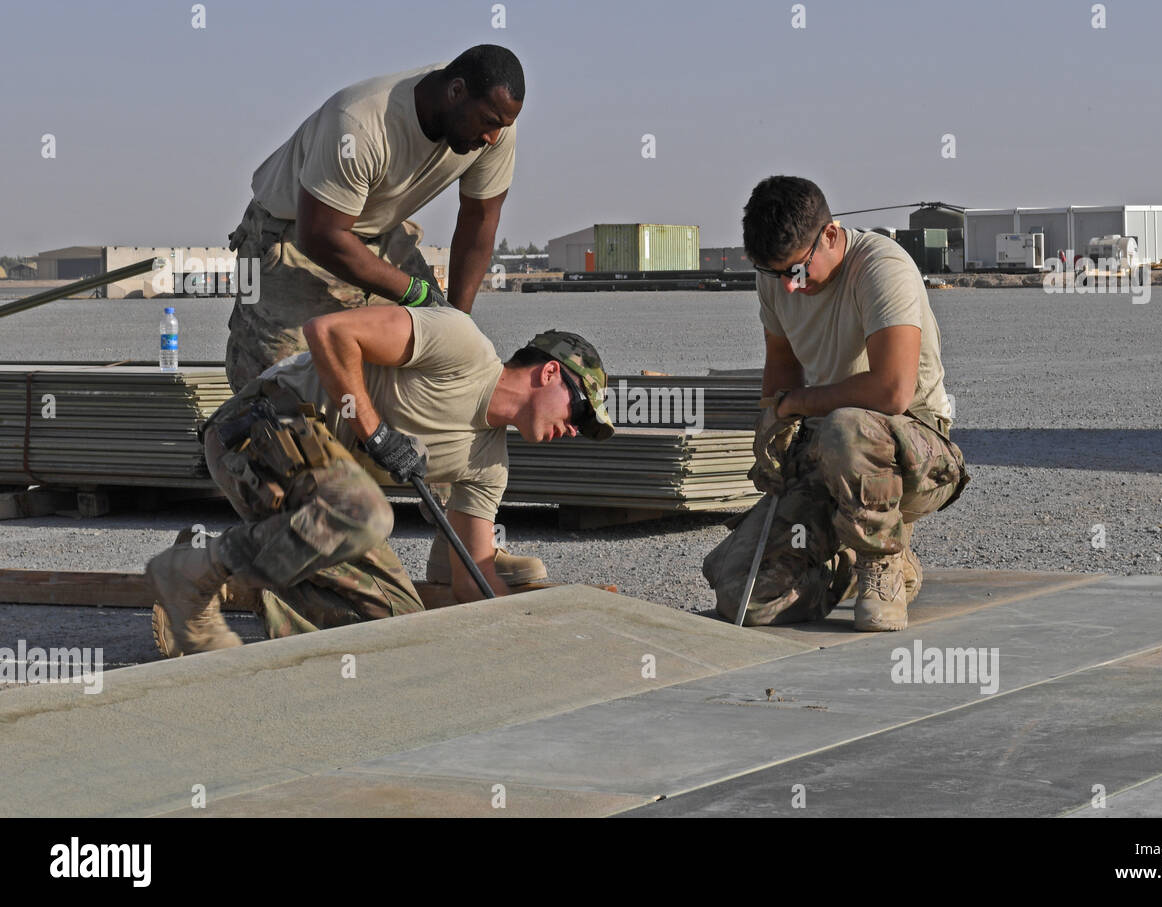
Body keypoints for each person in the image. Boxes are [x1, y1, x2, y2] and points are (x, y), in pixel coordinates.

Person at [147, 304, 614, 656]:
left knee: (400, 623)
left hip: (322, 494)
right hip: (259, 432)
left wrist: (525, 635)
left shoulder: (488, 465)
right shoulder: (461, 344)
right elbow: (329, 331)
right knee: (369, 515)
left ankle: (230, 580)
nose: (573, 428)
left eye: (584, 427)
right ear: (549, 372)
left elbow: (473, 579)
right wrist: (377, 433)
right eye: (578, 411)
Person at [704, 176, 968, 631]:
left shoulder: (882, 268)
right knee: (742, 596)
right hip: (829, 453)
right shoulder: (777, 277)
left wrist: (798, 404)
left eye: (795, 270)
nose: (787, 286)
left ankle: (881, 563)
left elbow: (892, 390)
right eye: (774, 273)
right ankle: (849, 560)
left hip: (914, 454)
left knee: (848, 427)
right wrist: (774, 428)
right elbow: (782, 366)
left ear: (829, 235)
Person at [224, 44, 523, 392]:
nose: (493, 137)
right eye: (488, 123)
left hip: (375, 231)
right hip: (289, 235)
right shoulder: (359, 124)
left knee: (432, 355)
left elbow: (479, 220)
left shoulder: (494, 128)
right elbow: (320, 235)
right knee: (280, 387)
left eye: (502, 126)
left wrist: (458, 321)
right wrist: (414, 292)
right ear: (456, 91)